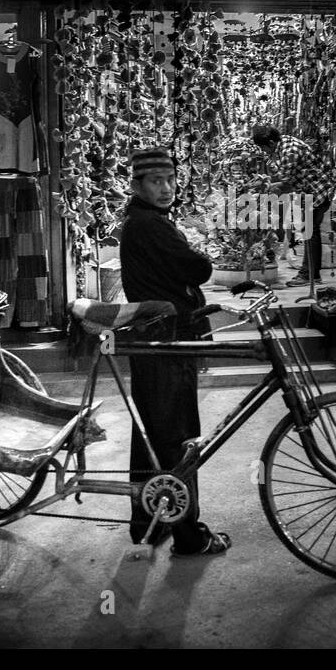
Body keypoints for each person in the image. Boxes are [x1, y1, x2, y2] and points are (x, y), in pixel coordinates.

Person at [118, 147, 232, 555]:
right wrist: (196, 257)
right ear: (137, 185)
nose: (165, 189)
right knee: (176, 439)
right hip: (165, 341)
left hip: (160, 340)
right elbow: (198, 268)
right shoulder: (149, 225)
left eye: (169, 180)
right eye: (155, 182)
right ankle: (188, 535)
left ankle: (151, 523)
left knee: (154, 435)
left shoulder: (146, 221)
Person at [251, 124, 332, 286]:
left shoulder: (290, 151)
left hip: (316, 192)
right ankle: (309, 274)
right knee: (309, 231)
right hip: (308, 192)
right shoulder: (284, 144)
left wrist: (265, 189)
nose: (264, 152)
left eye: (263, 148)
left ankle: (309, 275)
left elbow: (286, 184)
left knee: (310, 232)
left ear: (271, 143)